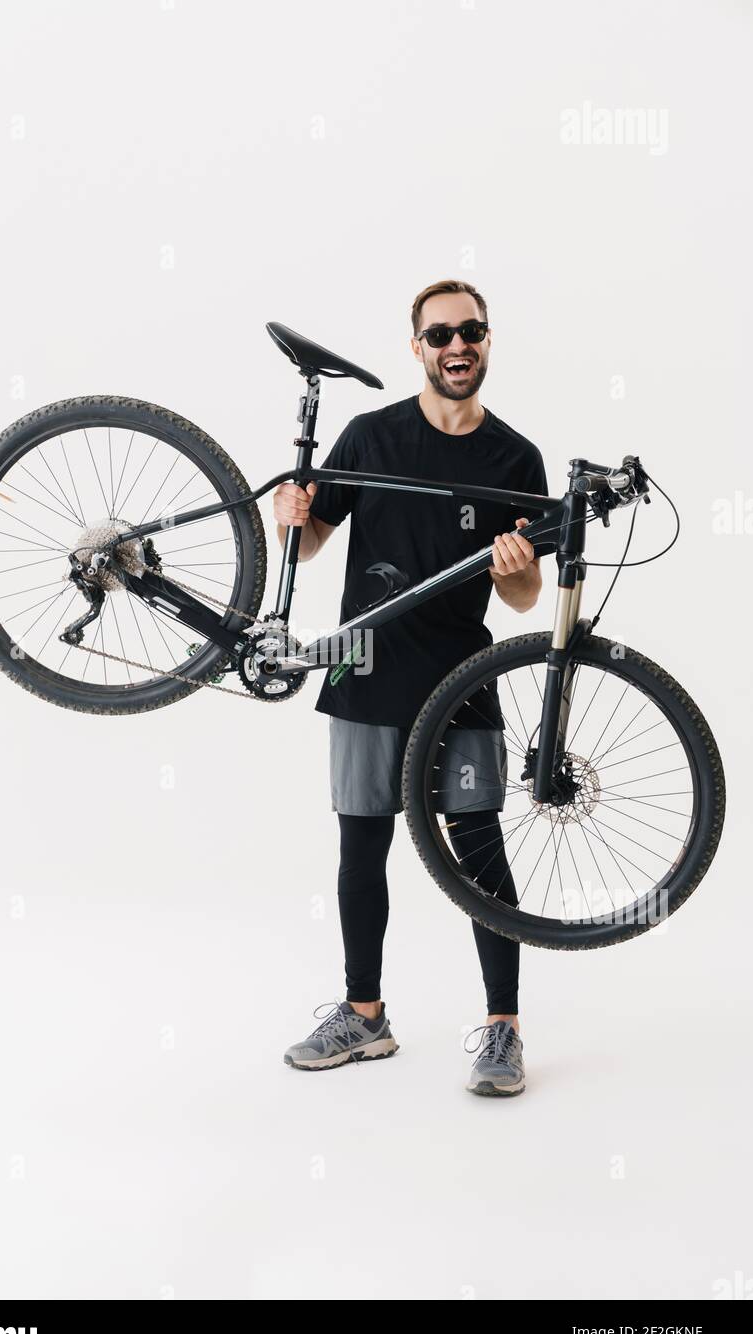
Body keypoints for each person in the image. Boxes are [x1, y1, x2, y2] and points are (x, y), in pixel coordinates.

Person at [274, 280, 547, 1097]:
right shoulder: (370, 434)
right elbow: (314, 541)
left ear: (488, 340)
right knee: (362, 847)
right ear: (417, 348)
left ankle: (502, 1031)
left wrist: (521, 569)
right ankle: (365, 1016)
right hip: (364, 667)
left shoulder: (515, 458)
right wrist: (290, 515)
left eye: (470, 331)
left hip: (462, 676)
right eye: (439, 336)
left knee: (477, 853)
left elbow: (524, 601)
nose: (455, 346)